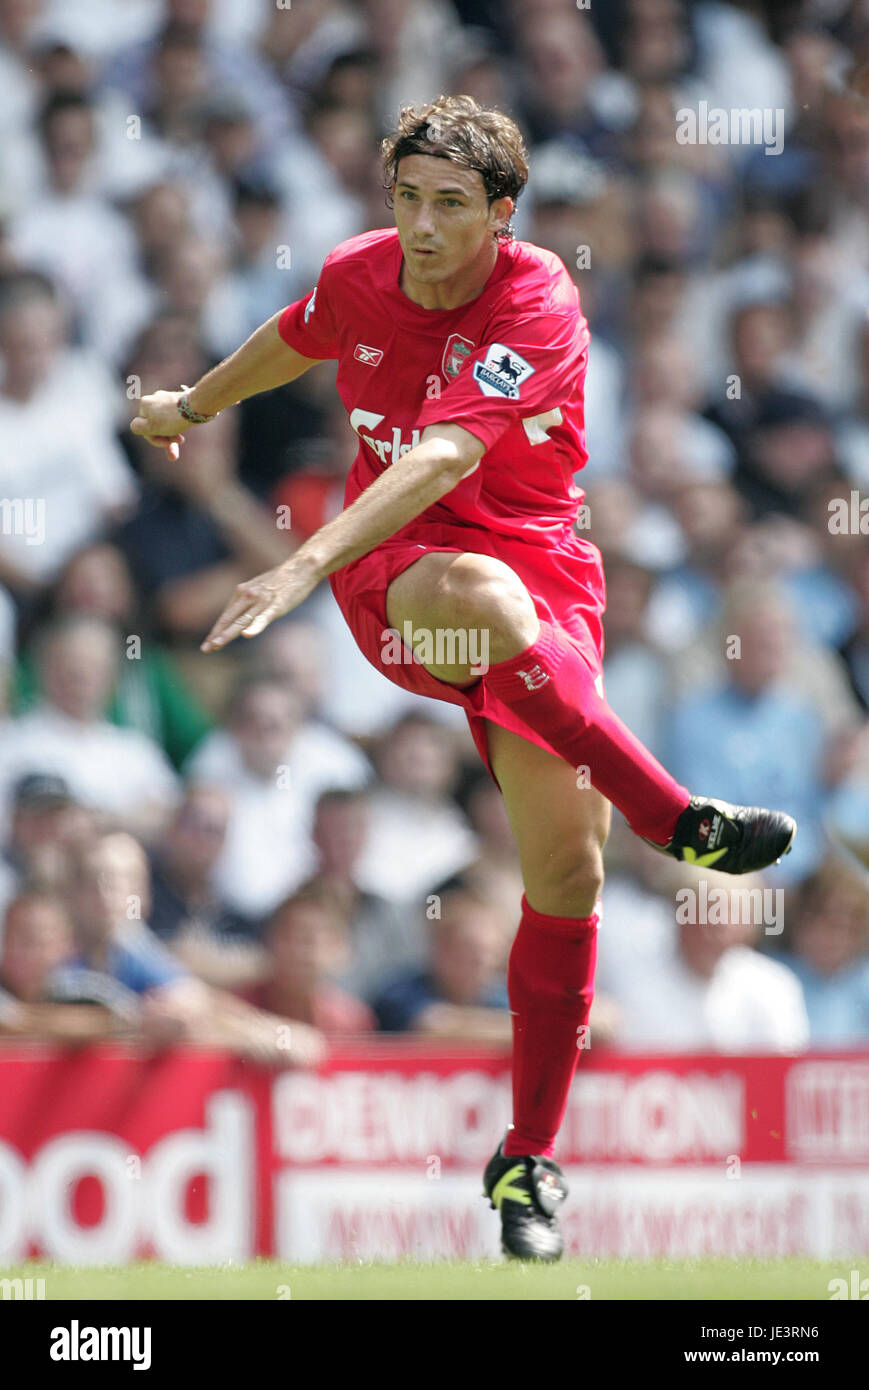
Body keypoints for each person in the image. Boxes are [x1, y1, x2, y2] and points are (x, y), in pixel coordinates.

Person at [131, 94, 797, 1262]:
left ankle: (525, 1161)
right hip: (401, 577)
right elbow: (298, 329)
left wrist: (293, 559)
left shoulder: (537, 296)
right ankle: (672, 814)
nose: (422, 227)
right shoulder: (363, 272)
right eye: (405, 200)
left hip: (544, 578)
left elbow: (449, 447)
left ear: (499, 214)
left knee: (564, 876)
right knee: (483, 607)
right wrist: (192, 405)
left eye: (449, 205)